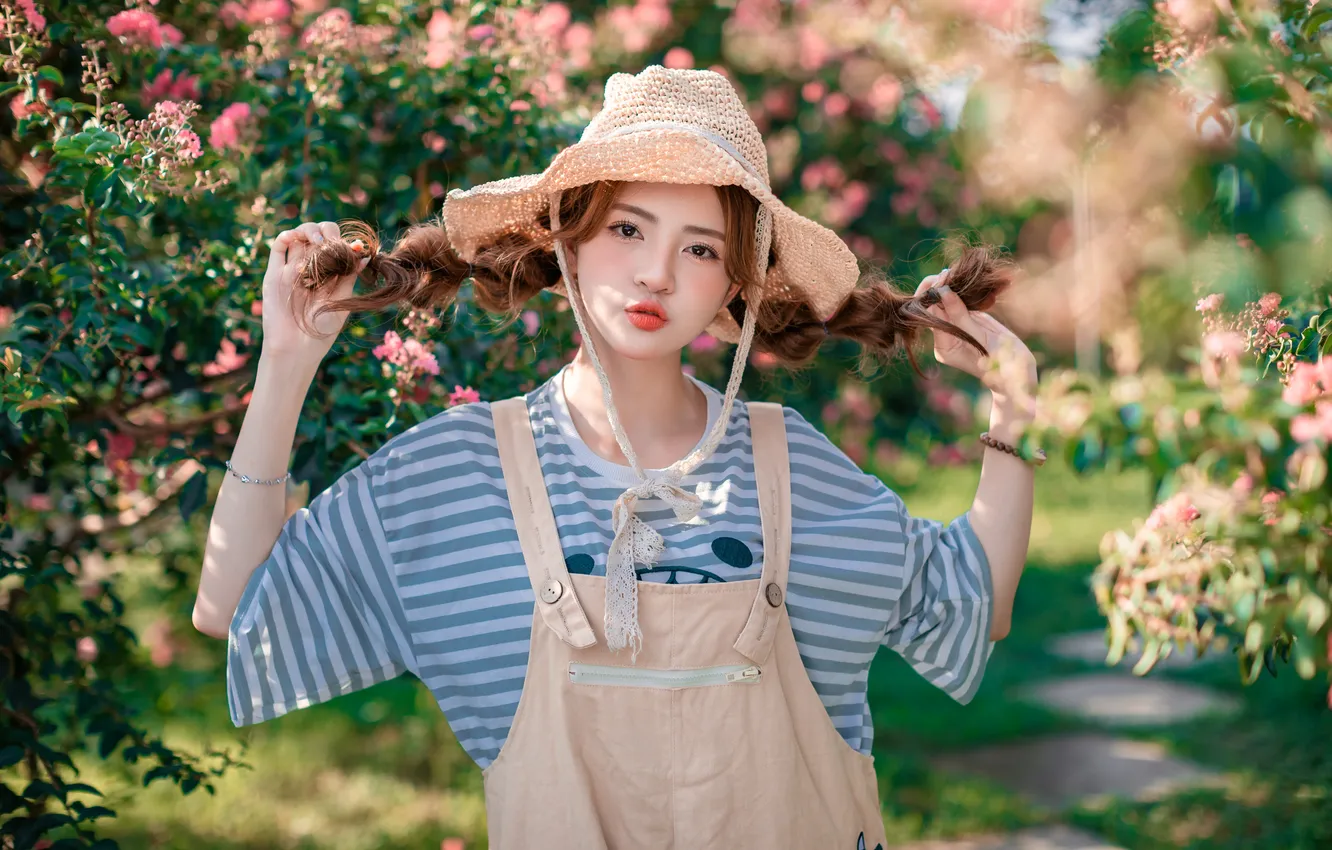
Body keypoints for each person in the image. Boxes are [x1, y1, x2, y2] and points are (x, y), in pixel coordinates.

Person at [194, 65, 1041, 849]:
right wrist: (288, 359)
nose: (657, 274)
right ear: (566, 241)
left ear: (734, 286)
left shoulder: (793, 467)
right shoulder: (458, 475)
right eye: (628, 228)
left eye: (701, 248)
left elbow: (970, 603)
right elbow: (236, 612)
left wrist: (1014, 411)